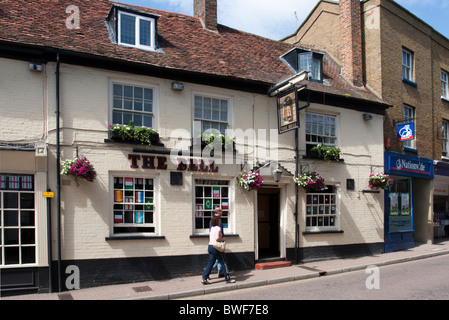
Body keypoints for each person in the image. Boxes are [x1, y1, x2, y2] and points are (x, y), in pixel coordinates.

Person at [202, 215, 235, 284]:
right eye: (219, 220)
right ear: (217, 221)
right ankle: (227, 278)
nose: (220, 221)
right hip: (216, 247)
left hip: (210, 246)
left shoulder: (212, 228)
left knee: (210, 263)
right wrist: (223, 239)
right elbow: (217, 238)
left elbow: (211, 238)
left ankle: (204, 278)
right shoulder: (218, 228)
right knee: (223, 262)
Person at [209, 207, 225, 277]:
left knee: (216, 260)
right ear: (218, 212)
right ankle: (207, 272)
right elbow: (212, 232)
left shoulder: (218, 220)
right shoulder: (214, 220)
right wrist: (220, 239)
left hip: (217, 242)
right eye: (221, 211)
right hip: (216, 242)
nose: (222, 213)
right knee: (218, 260)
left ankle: (220, 272)